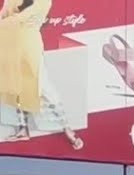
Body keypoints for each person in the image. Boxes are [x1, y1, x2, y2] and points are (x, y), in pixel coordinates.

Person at [0, 0, 84, 150]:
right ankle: (22, 129)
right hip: (11, 44)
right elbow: (4, 13)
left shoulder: (43, 1)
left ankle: (67, 128)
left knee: (44, 88)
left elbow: (22, 19)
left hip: (30, 46)